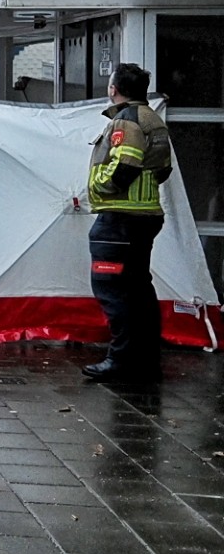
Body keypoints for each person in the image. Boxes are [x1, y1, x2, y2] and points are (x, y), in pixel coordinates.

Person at [82, 63, 174, 385]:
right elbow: (163, 169)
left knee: (112, 289)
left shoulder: (127, 120)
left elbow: (125, 164)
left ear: (114, 89)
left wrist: (100, 187)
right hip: (145, 215)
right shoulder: (152, 119)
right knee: (137, 290)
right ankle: (145, 360)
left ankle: (120, 361)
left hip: (120, 219)